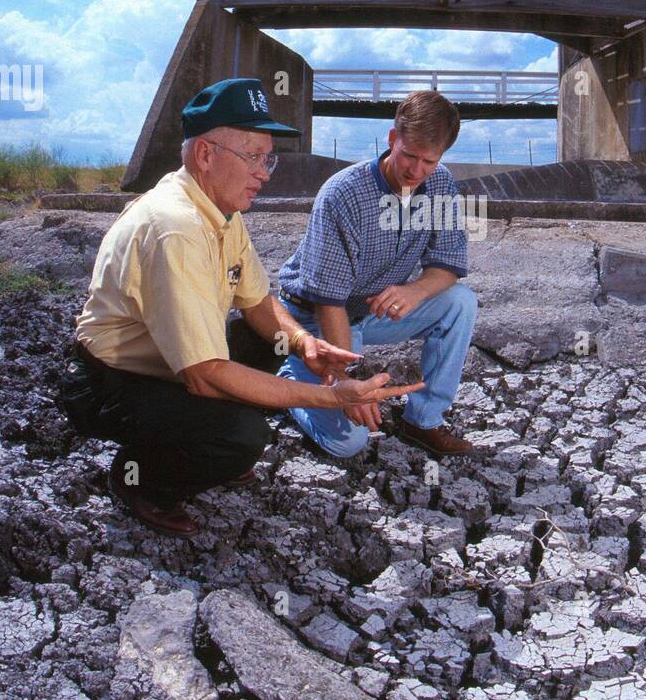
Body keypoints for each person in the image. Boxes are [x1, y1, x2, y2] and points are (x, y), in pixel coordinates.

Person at [63, 77, 423, 538]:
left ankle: (190, 438)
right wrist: (329, 397)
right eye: (253, 157)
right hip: (109, 382)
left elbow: (257, 301)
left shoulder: (220, 210)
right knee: (243, 436)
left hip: (166, 362)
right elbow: (205, 374)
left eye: (267, 157)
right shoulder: (176, 228)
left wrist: (303, 342)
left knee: (268, 335)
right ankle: (141, 475)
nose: (265, 172)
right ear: (205, 155)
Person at [277, 89, 481, 460]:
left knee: (461, 303)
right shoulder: (342, 194)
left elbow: (449, 264)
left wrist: (416, 291)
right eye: (409, 155)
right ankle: (287, 384)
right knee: (349, 442)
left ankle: (423, 420)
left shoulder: (440, 184)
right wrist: (342, 380)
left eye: (429, 161)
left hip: (368, 313)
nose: (415, 171)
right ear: (392, 140)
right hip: (314, 319)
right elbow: (328, 300)